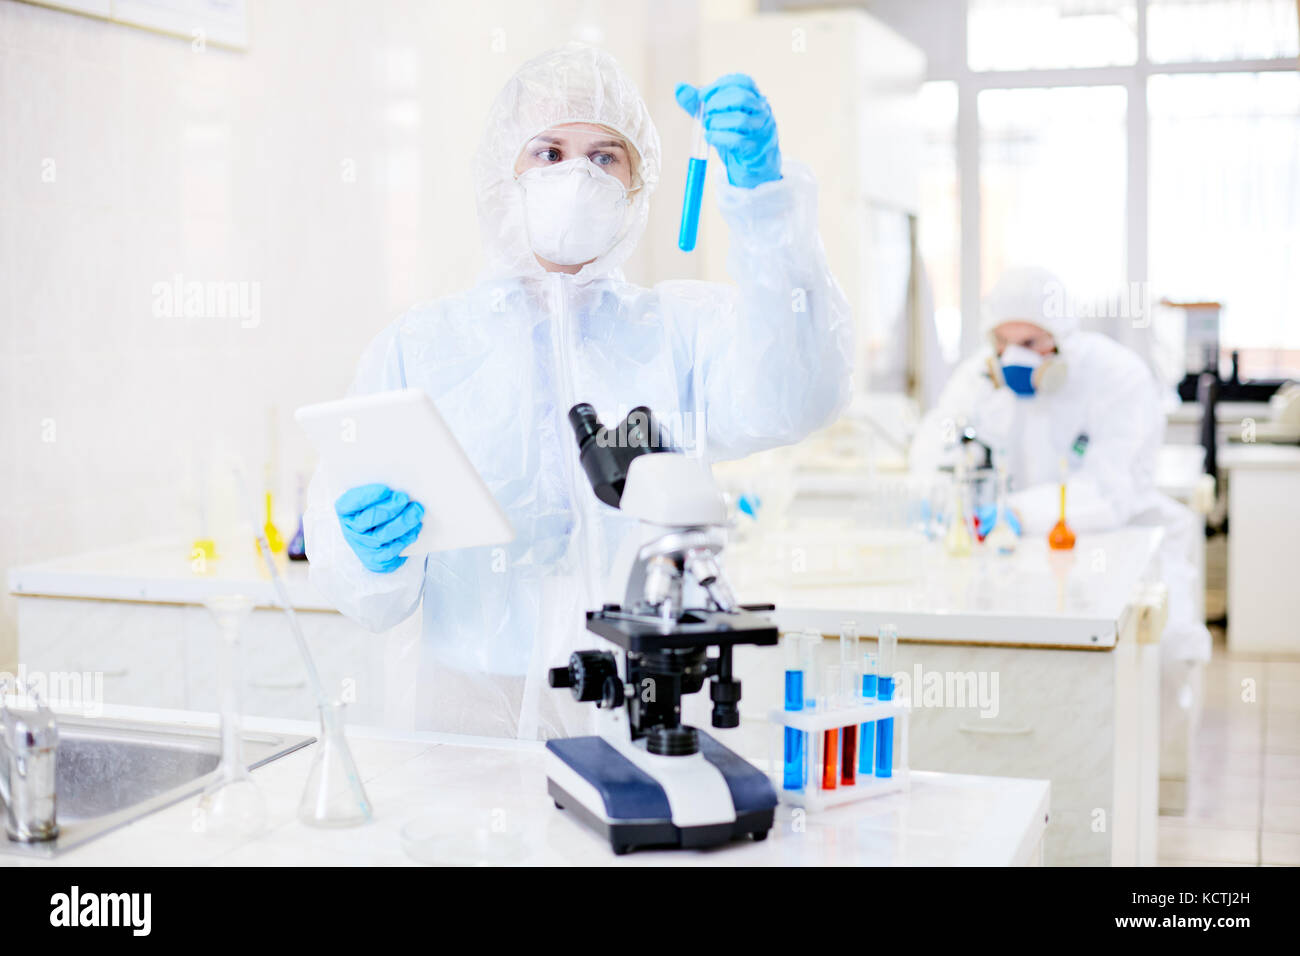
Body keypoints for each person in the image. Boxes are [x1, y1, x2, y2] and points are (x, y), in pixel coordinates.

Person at [304, 44, 853, 739]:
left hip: (646, 695)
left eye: (604, 156)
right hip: (471, 705)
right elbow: (363, 588)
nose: (577, 176)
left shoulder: (678, 332)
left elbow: (800, 392)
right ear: (505, 171)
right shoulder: (421, 347)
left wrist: (764, 206)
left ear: (637, 181)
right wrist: (367, 553)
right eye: (549, 152)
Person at [910, 266, 1211, 752]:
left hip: (1119, 538)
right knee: (1025, 666)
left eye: (1033, 341)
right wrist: (937, 495)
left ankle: (1142, 782)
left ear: (1065, 340)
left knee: (1162, 655)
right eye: (1004, 342)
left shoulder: (1117, 376)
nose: (1016, 357)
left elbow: (1110, 491)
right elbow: (934, 444)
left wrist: (1016, 513)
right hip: (1018, 549)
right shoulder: (980, 376)